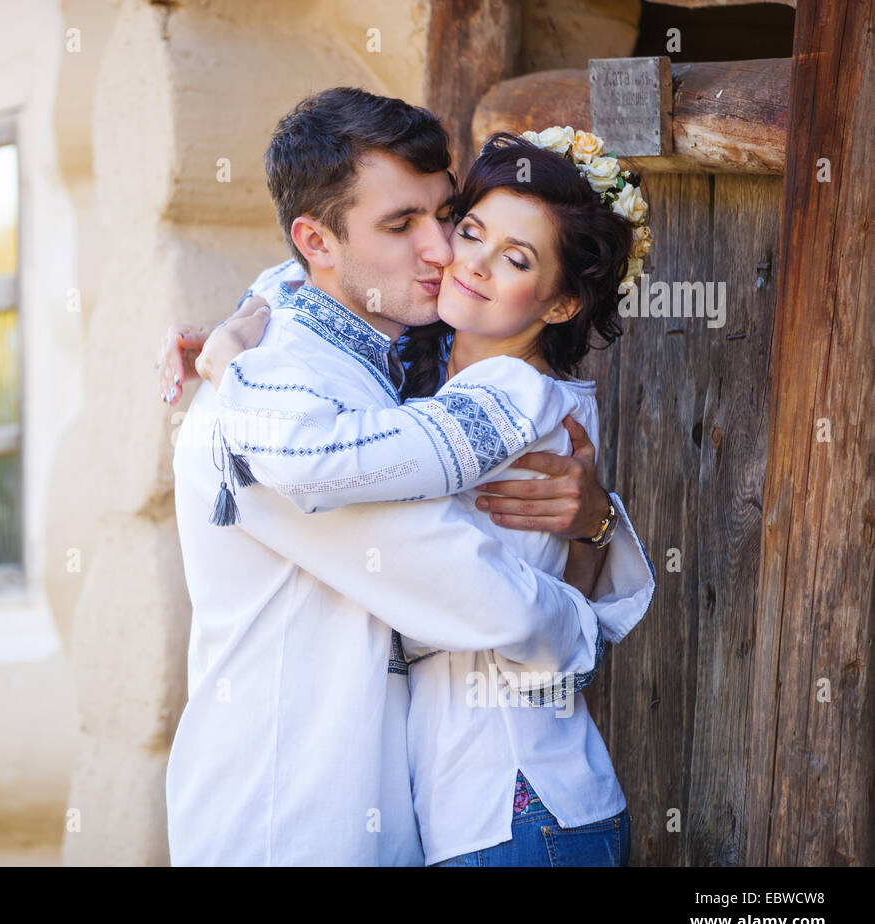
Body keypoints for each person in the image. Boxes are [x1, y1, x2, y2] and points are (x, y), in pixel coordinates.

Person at [160, 88, 654, 866]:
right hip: (288, 820)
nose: (444, 254)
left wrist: (595, 521)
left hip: (440, 814)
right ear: (315, 242)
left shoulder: (400, 375)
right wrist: (230, 353)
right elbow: (468, 583)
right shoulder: (280, 408)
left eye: (442, 215)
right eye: (404, 225)